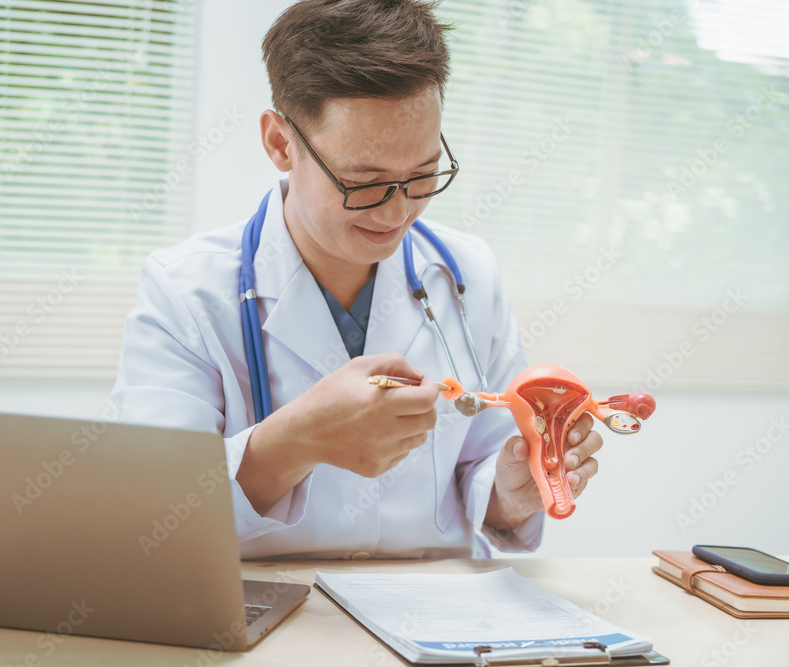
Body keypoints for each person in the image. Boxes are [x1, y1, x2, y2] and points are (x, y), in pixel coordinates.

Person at [112, 0, 603, 560]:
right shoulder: (184, 292)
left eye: (422, 175)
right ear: (279, 143)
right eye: (363, 182)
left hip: (434, 616)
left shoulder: (467, 273)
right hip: (273, 621)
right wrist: (298, 439)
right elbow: (155, 518)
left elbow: (485, 470)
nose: (397, 214)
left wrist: (514, 491)